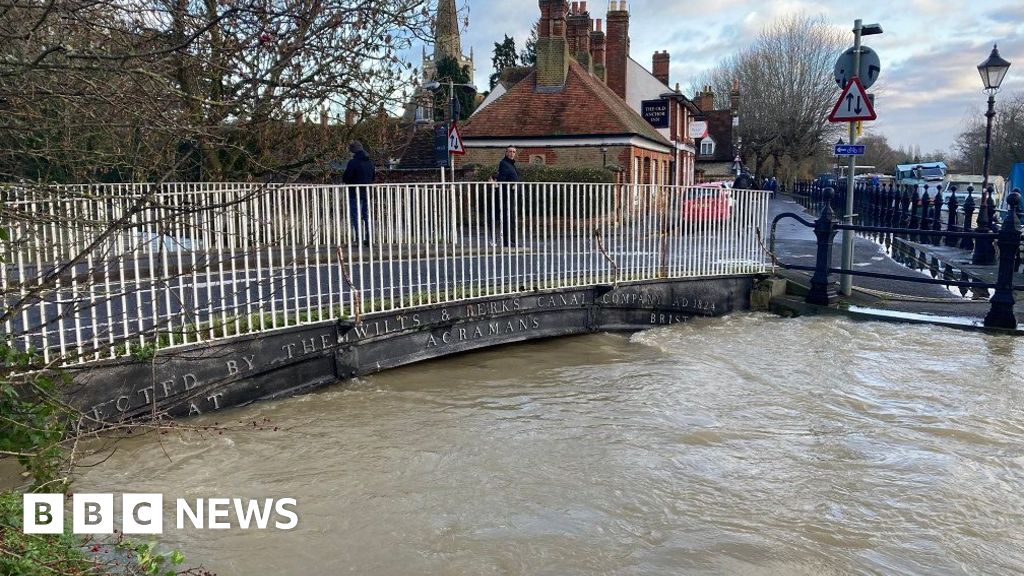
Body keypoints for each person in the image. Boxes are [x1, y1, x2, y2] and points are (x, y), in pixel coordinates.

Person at [342, 141, 375, 246]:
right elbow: (373, 177)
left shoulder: (353, 162)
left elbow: (347, 178)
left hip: (355, 193)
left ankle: (359, 239)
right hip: (367, 192)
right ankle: (370, 238)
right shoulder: (370, 162)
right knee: (367, 216)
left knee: (356, 216)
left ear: (353, 151)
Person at [495, 146, 520, 247]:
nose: (512, 153)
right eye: (510, 151)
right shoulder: (504, 163)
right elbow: (502, 179)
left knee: (511, 218)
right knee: (508, 218)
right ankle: (509, 241)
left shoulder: (512, 165)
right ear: (506, 153)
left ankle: (511, 241)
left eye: (514, 152)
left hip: (512, 196)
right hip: (507, 195)